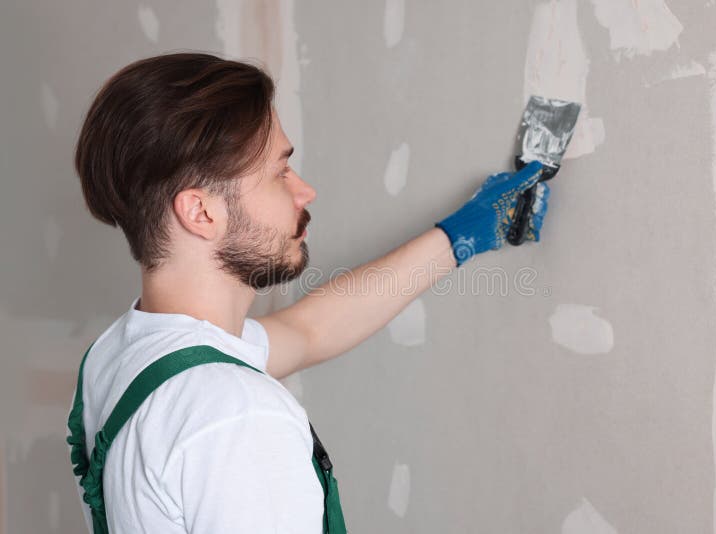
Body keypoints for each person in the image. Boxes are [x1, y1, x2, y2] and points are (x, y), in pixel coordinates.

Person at [65, 52, 549, 533]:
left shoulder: (118, 357)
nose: (305, 191)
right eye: (280, 173)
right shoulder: (238, 419)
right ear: (202, 212)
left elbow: (307, 331)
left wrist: (459, 235)